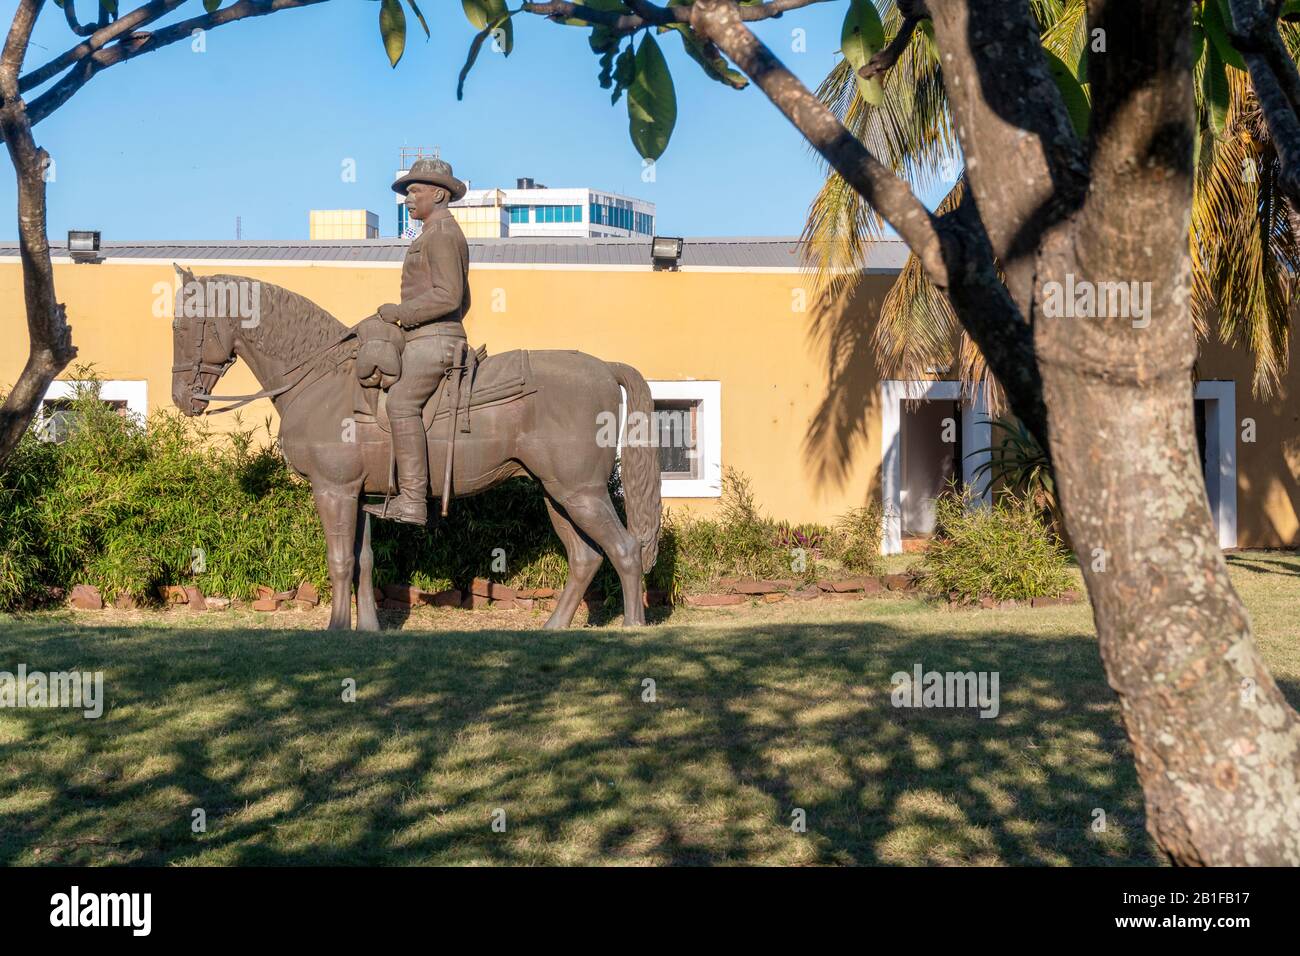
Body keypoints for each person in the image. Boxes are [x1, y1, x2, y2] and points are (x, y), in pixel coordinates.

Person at [362, 157, 472, 525]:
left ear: (438, 194)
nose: (407, 199)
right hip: (426, 338)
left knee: (401, 405)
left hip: (435, 342)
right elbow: (463, 299)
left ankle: (412, 500)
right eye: (407, 192)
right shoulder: (433, 233)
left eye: (414, 191)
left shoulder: (441, 235)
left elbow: (450, 296)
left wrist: (401, 312)